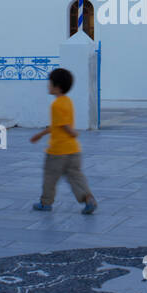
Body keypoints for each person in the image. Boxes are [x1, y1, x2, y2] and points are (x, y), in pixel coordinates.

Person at [30, 67, 97, 214]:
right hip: (74, 150)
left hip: (57, 152)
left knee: (50, 177)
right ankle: (87, 198)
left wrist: (73, 132)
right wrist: (41, 134)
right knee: (76, 176)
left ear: (57, 87)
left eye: (50, 83)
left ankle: (45, 203)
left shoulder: (56, 104)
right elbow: (57, 125)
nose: (48, 86)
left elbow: (64, 125)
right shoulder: (68, 102)